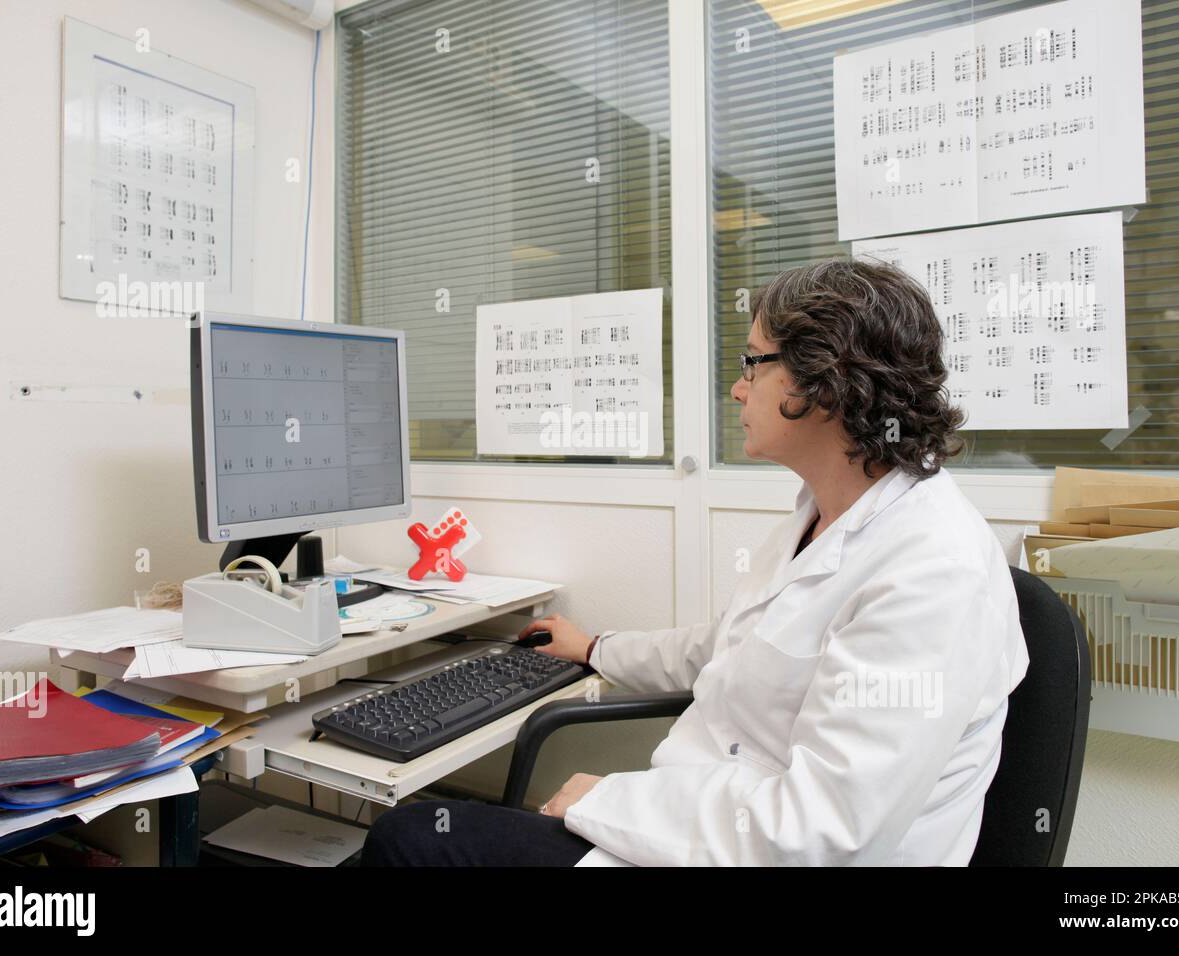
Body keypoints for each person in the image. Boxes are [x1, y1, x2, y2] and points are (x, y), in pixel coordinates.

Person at [362, 257, 1028, 866]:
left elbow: (823, 831)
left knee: (410, 839)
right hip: (704, 826)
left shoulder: (934, 570)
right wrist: (594, 647)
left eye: (753, 364)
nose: (739, 390)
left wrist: (610, 803)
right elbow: (727, 647)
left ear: (826, 380)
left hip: (763, 853)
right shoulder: (823, 512)